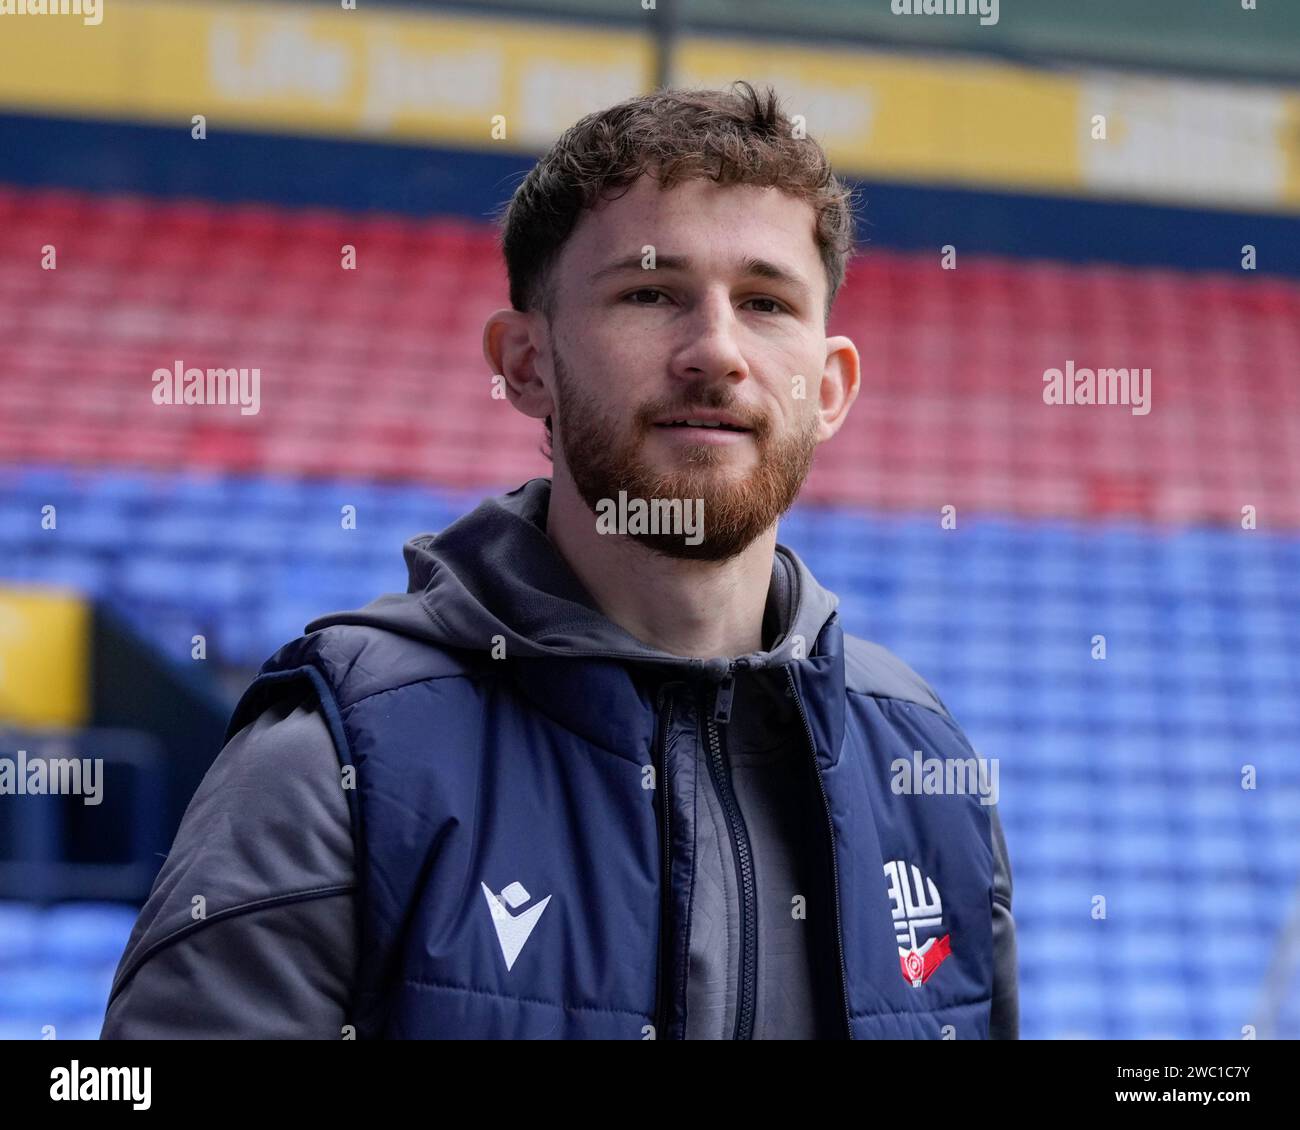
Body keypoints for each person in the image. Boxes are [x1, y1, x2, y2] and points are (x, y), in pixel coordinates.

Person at [102, 81, 1018, 1040]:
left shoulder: (926, 775)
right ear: (526, 364)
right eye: (651, 293)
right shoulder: (337, 764)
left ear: (829, 388)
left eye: (765, 301)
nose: (716, 351)